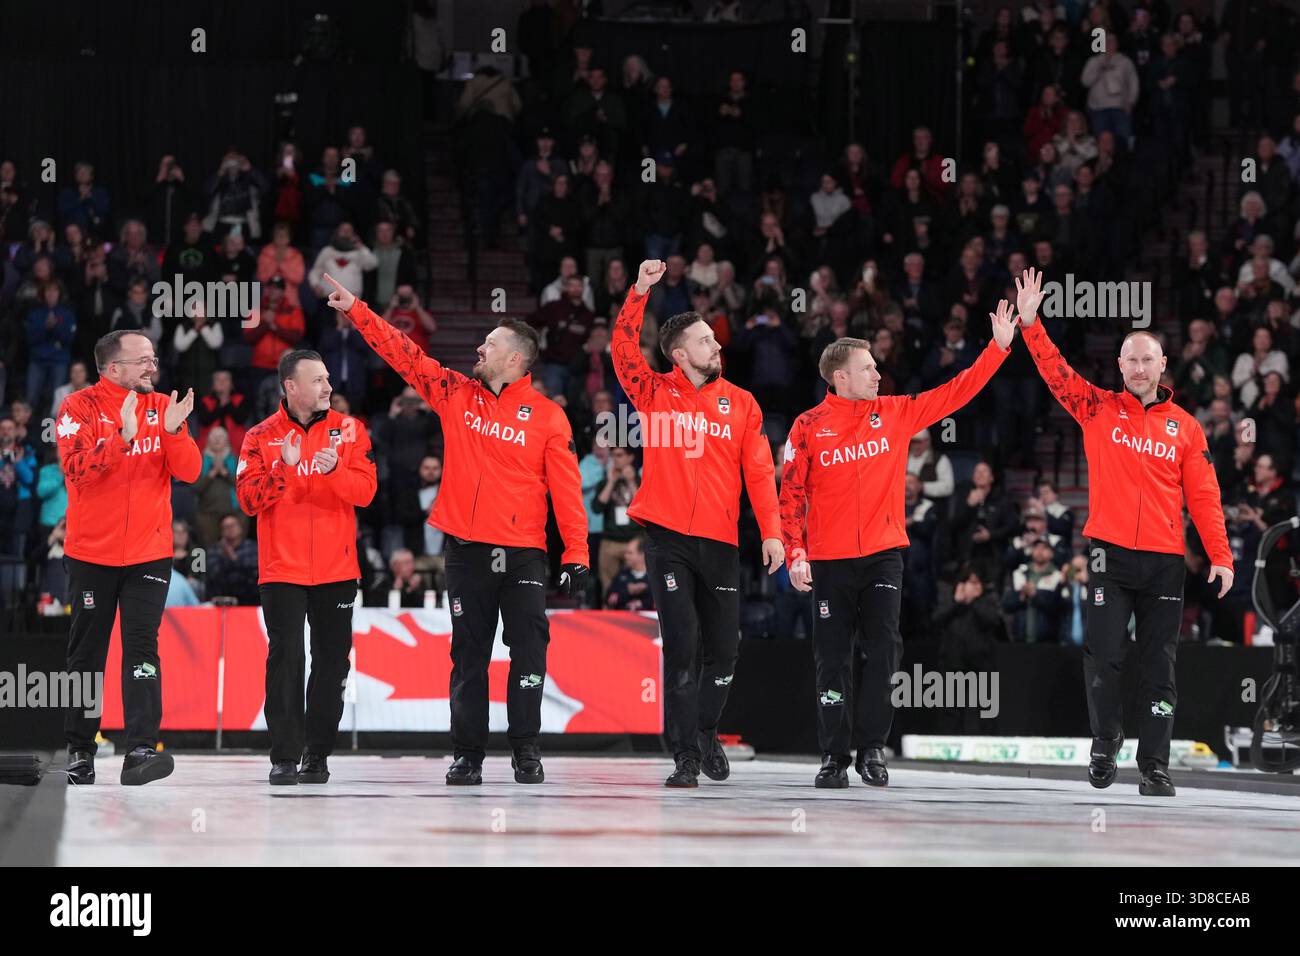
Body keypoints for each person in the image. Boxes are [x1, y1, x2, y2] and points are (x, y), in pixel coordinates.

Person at [320, 273, 590, 786]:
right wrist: (356, 309)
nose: (479, 349)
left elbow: (567, 490)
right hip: (466, 550)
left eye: (489, 345)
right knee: (468, 655)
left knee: (529, 651)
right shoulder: (455, 394)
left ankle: (526, 748)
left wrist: (576, 551)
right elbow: (404, 353)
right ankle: (467, 754)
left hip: (525, 553)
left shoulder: (550, 418)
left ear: (516, 359)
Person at [1014, 267, 1233, 797]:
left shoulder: (1186, 425)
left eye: (1147, 359)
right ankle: (1104, 742)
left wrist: (1220, 556)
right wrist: (1029, 323)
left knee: (1160, 664)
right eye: (1130, 359)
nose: (1138, 367)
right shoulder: (1097, 408)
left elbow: (1204, 496)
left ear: (1163, 366)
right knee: (1105, 655)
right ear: (1120, 366)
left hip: (1163, 559)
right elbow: (1057, 373)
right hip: (1108, 554)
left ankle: (1154, 764)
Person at [779, 300, 1015, 788]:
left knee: (885, 651)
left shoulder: (896, 413)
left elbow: (957, 391)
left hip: (884, 555)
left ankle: (871, 750)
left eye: (875, 366)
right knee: (832, 658)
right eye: (866, 368)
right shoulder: (807, 426)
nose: (876, 372)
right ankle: (832, 755)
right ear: (839, 377)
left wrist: (999, 347)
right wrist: (796, 552)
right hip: (830, 559)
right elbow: (791, 494)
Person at [615, 259, 784, 788]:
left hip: (719, 541)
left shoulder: (743, 403)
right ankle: (685, 756)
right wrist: (640, 290)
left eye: (715, 338)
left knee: (725, 651)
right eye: (706, 340)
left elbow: (759, 472)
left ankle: (706, 732)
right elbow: (621, 349)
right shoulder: (653, 392)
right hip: (667, 540)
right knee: (682, 647)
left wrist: (774, 532)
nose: (717, 345)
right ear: (680, 354)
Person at [55, 330, 200, 786]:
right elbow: (76, 471)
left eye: (153, 359)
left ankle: (140, 750)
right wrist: (121, 437)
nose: (151, 368)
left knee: (142, 649)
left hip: (148, 555)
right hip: (90, 555)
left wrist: (175, 431)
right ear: (113, 368)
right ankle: (80, 752)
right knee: (87, 655)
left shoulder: (162, 408)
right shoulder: (77, 408)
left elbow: (191, 471)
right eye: (143, 361)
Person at [237, 349, 377, 785]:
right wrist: (284, 467)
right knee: (288, 660)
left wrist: (334, 470)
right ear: (291, 386)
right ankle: (284, 755)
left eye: (328, 378)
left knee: (333, 664)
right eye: (317, 380)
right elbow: (247, 501)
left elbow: (366, 493)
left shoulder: (351, 431)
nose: (328, 387)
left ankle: (316, 754)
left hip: (337, 571)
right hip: (282, 571)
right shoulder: (260, 436)